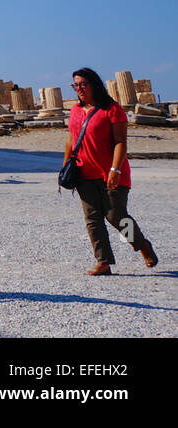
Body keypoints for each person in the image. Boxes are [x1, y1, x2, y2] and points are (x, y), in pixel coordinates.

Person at [64, 67, 158, 276]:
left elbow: (120, 142)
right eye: (75, 85)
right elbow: (71, 139)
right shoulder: (75, 110)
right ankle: (103, 261)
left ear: (94, 84)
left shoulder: (112, 109)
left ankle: (142, 245)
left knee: (117, 216)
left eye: (83, 84)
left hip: (112, 173)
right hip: (83, 174)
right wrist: (65, 166)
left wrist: (115, 169)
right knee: (93, 219)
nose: (79, 88)